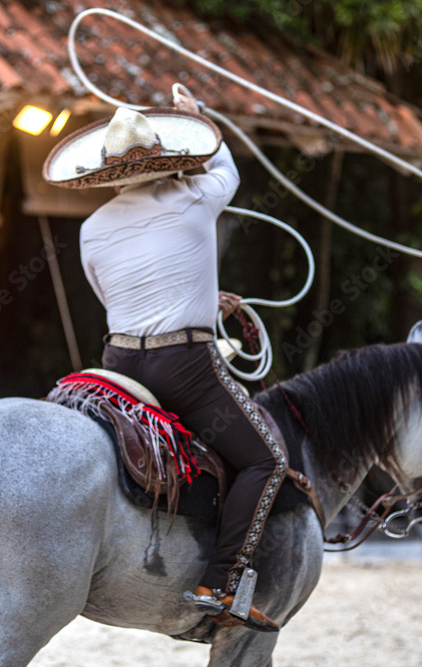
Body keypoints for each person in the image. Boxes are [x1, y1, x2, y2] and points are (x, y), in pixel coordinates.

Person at [48, 96, 285, 631]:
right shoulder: (196, 195)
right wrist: (198, 112)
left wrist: (199, 293)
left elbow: (116, 296)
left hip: (118, 363)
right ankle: (221, 584)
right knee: (265, 460)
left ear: (107, 171)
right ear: (166, 157)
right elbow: (226, 163)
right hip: (184, 366)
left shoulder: (91, 228)